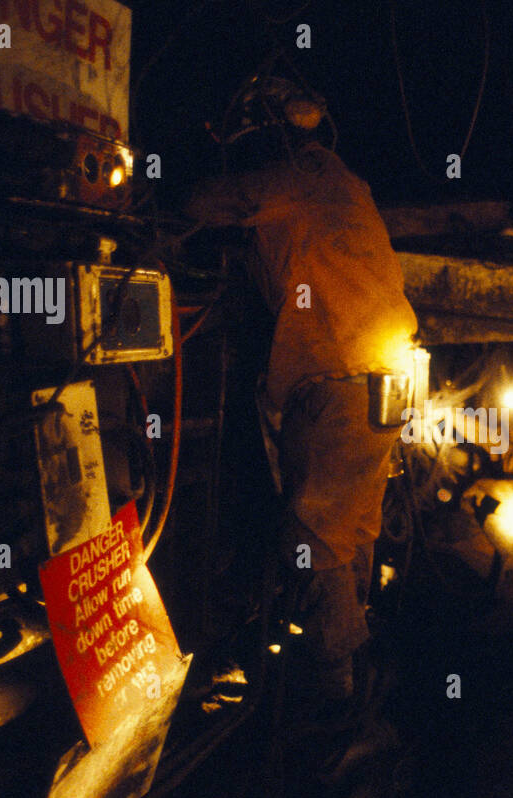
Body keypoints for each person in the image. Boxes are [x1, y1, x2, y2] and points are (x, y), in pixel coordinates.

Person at [187, 76, 418, 708]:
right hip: (384, 381)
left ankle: (330, 689)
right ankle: (359, 662)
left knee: (313, 535)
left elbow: (222, 200)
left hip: (340, 380)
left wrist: (166, 199)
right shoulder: (346, 187)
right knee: (355, 529)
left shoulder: (300, 178)